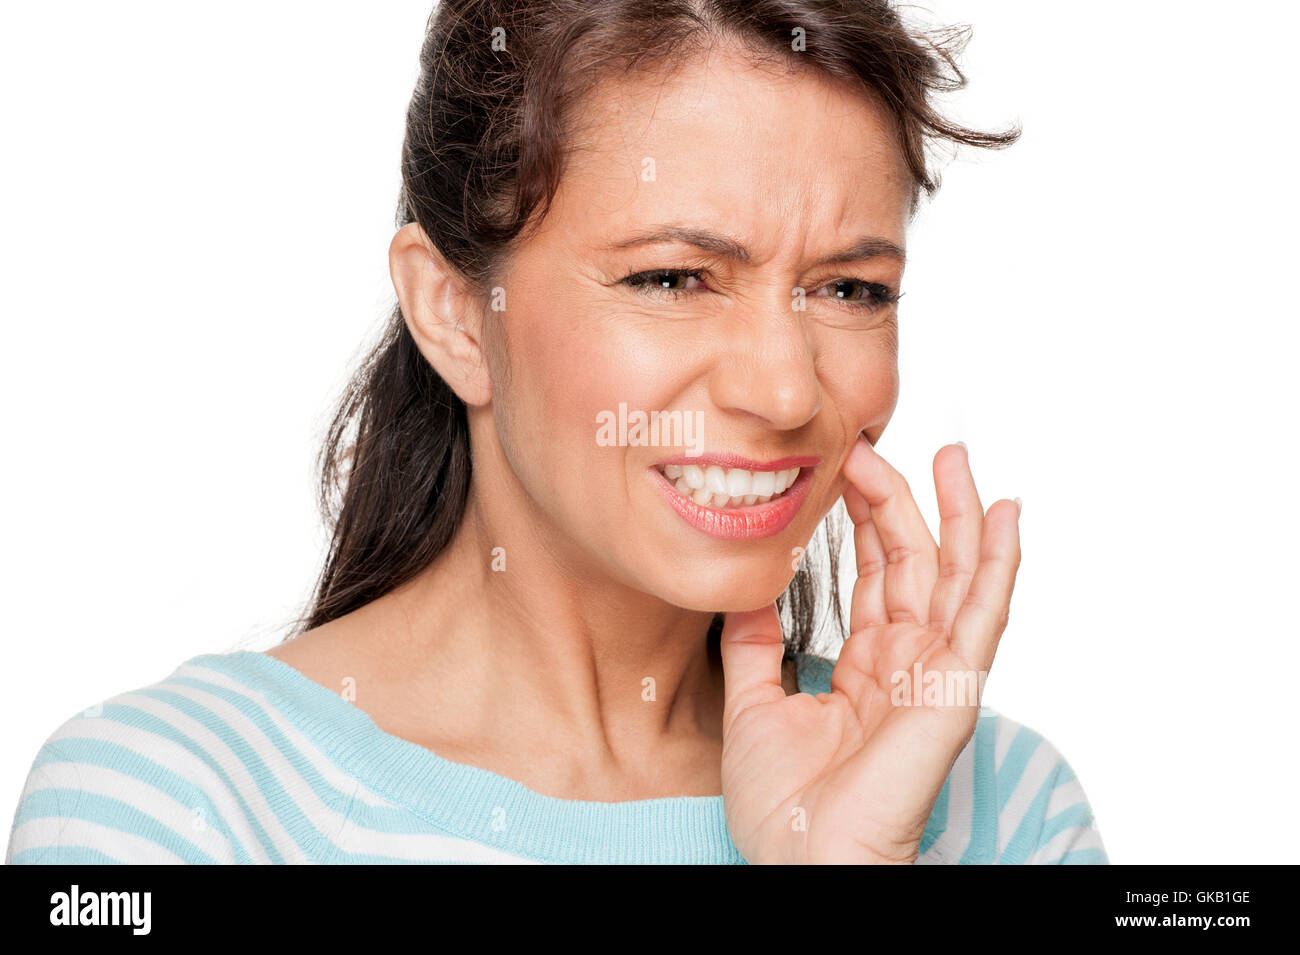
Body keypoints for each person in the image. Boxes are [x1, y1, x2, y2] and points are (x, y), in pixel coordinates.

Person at [6, 0, 1107, 865]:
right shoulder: (176, 810)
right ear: (453, 314)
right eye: (673, 277)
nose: (783, 390)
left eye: (851, 289)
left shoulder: (988, 806)